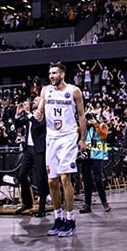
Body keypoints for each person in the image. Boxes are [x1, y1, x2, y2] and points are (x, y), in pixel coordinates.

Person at [35, 61, 86, 238]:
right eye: (50, 73)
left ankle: (70, 219)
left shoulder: (74, 91)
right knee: (52, 181)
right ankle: (58, 218)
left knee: (65, 177)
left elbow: (81, 116)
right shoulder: (45, 91)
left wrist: (83, 139)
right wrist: (38, 113)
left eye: (55, 73)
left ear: (62, 74)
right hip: (52, 138)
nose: (51, 76)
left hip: (68, 137)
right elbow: (40, 109)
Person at [79, 110, 111, 213]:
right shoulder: (86, 128)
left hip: (97, 155)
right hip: (86, 155)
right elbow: (78, 132)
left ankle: (104, 202)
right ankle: (87, 204)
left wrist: (95, 124)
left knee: (98, 179)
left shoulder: (102, 125)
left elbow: (103, 135)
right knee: (87, 180)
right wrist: (84, 123)